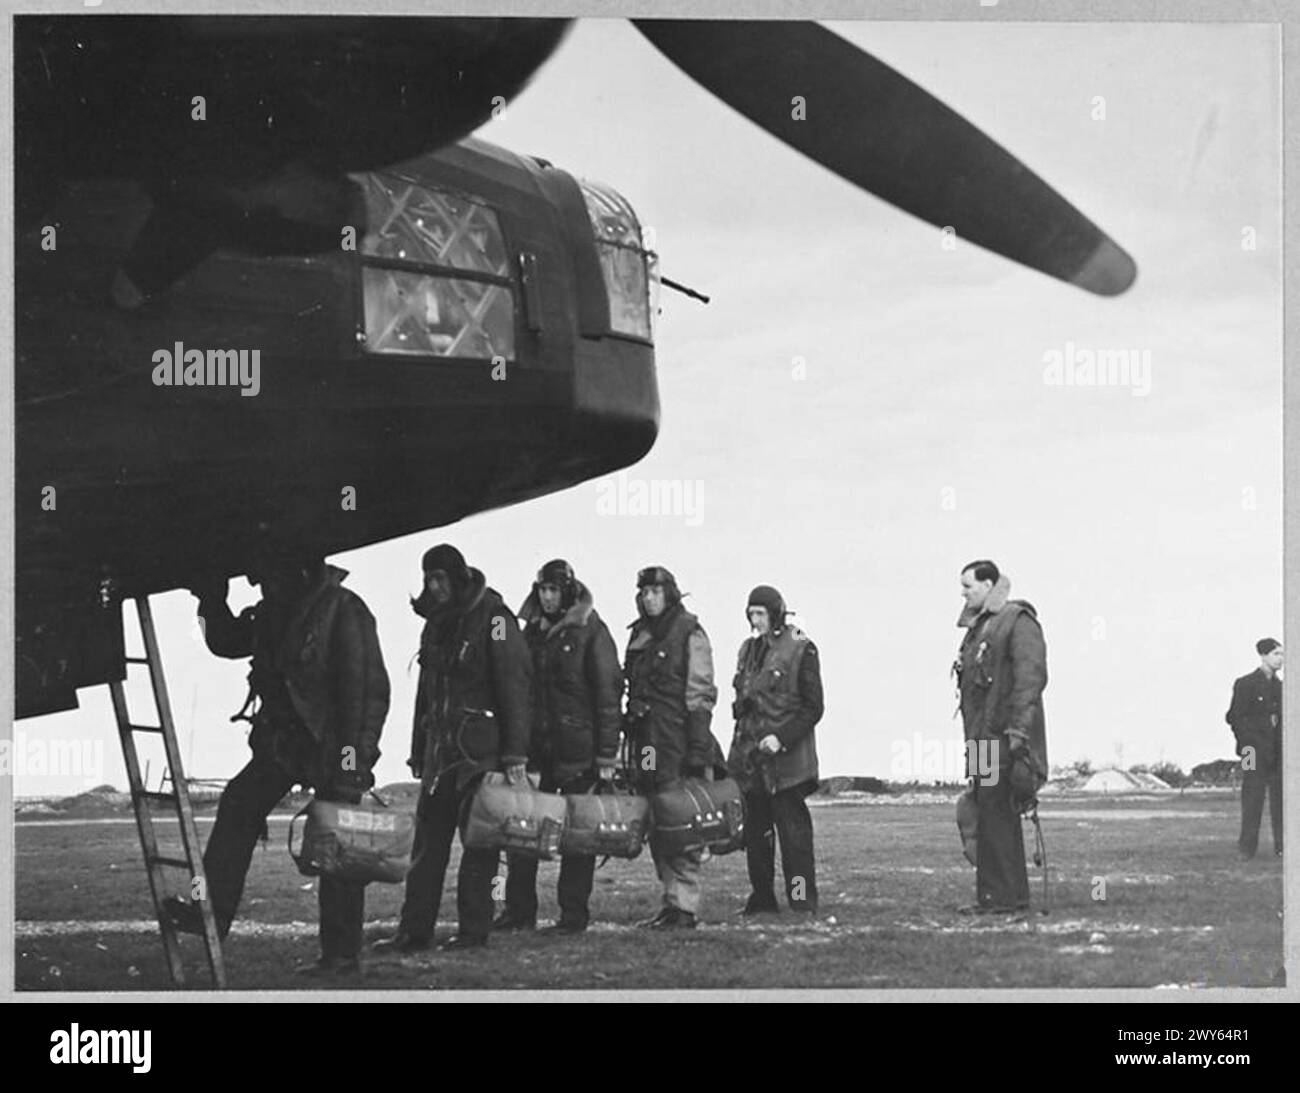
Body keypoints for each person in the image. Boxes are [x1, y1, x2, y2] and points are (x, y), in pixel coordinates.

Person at [164, 540, 390, 978]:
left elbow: (365, 696)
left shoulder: (345, 611)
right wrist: (211, 599)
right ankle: (208, 912)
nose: (264, 589)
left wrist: (351, 766)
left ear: (298, 574)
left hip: (335, 746)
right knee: (238, 805)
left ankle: (341, 957)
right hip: (286, 744)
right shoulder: (273, 612)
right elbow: (229, 641)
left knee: (337, 846)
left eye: (269, 580)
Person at [372, 544, 531, 954]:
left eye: (441, 578)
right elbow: (426, 693)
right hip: (440, 755)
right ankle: (414, 931)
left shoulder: (496, 620)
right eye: (429, 578)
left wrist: (514, 757)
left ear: (457, 577)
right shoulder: (436, 625)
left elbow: (515, 686)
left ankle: (474, 931)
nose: (434, 586)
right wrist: (417, 750)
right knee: (427, 847)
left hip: (481, 755)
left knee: (479, 846)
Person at [493, 559, 624, 934]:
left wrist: (606, 755)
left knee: (578, 836)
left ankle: (573, 915)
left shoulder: (592, 631)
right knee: (521, 831)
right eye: (542, 590)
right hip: (537, 749)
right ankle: (519, 911)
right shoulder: (529, 632)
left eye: (553, 590)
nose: (547, 597)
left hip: (578, 750)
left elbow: (608, 694)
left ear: (566, 591)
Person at [623, 566, 722, 929]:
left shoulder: (689, 631)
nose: (649, 597)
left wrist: (698, 750)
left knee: (680, 820)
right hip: (646, 744)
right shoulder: (640, 635)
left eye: (655, 591)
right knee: (657, 820)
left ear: (669, 593)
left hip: (677, 741)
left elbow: (701, 691)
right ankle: (671, 901)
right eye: (644, 591)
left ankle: (684, 906)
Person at [954, 560, 1048, 915]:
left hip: (1002, 740)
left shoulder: (1017, 620)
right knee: (984, 811)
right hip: (981, 742)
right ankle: (992, 896)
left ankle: (1008, 898)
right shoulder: (979, 627)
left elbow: (1030, 679)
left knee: (999, 813)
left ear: (989, 583)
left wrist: (1019, 734)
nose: (962, 592)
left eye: (968, 585)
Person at [727, 585, 824, 916]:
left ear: (776, 612)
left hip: (788, 765)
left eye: (761, 614)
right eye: (751, 614)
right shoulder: (748, 650)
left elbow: (814, 707)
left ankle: (800, 899)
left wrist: (781, 738)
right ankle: (762, 898)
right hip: (752, 762)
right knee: (757, 837)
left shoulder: (801, 646)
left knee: (794, 841)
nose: (756, 621)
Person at [1226, 638, 1284, 860]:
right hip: (1251, 751)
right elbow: (1234, 717)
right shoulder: (1245, 684)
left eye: (1282, 655)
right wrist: (1246, 742)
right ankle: (1246, 848)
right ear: (1263, 655)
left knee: (1280, 799)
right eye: (1276, 654)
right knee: (1252, 797)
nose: (1280, 659)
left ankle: (1282, 847)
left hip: (1277, 752)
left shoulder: (1282, 688)